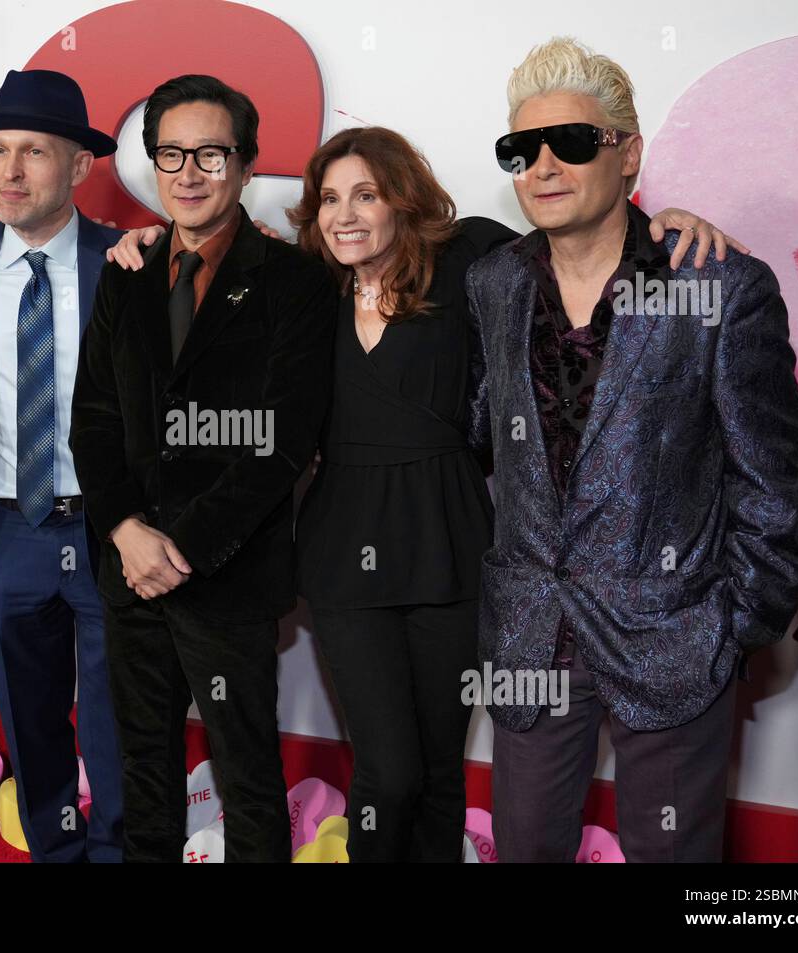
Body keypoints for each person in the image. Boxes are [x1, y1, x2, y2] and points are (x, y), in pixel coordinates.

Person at [109, 122, 739, 862]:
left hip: (451, 544)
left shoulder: (472, 258)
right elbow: (207, 262)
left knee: (440, 771)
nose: (345, 214)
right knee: (389, 770)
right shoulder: (299, 286)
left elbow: (581, 239)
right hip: (345, 551)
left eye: (366, 195)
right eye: (331, 198)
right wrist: (147, 245)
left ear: (402, 202)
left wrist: (665, 222)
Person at [466, 37, 798, 862]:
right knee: (524, 850)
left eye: (573, 142)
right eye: (521, 150)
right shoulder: (492, 281)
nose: (543, 165)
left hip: (675, 635)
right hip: (530, 633)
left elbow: (772, 479)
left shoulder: (717, 284)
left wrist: (730, 625)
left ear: (628, 153)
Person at [70, 74, 337, 862]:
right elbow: (95, 417)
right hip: (129, 571)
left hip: (226, 574)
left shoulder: (296, 282)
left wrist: (175, 548)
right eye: (171, 154)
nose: (188, 172)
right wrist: (126, 531)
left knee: (247, 775)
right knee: (143, 770)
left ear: (247, 165)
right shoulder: (129, 272)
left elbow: (284, 443)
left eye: (210, 154)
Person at [0, 69, 123, 862]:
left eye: (35, 153)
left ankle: (121, 849)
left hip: (113, 532)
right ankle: (56, 852)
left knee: (123, 720)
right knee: (29, 721)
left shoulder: (131, 265)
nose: (10, 172)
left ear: (81, 166)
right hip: (5, 530)